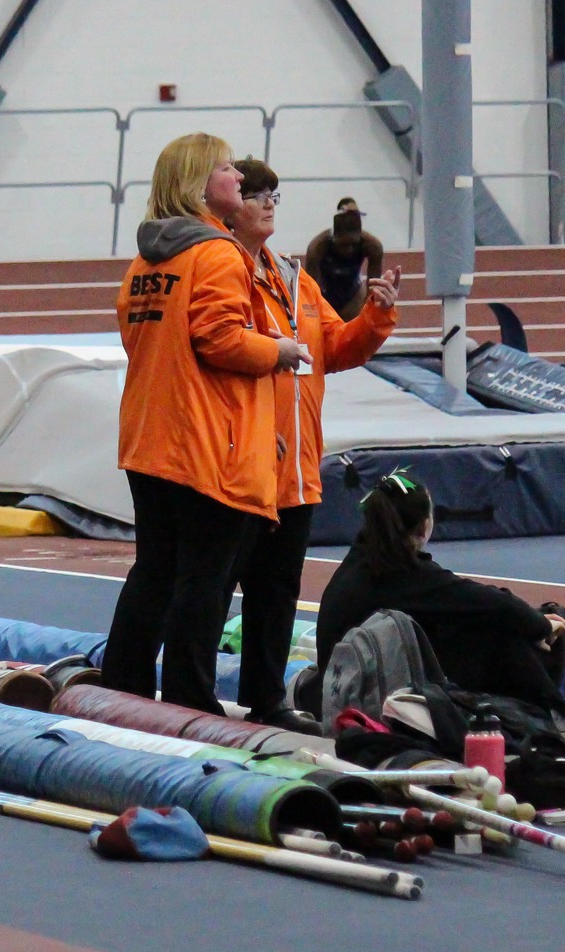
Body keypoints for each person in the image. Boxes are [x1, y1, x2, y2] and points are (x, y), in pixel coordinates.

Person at [101, 133, 298, 716]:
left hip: (148, 436)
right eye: (225, 168)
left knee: (155, 571)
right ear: (197, 184)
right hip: (205, 440)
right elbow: (218, 339)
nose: (238, 176)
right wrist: (277, 350)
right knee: (204, 578)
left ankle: (125, 682)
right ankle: (190, 694)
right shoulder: (215, 252)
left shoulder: (146, 260)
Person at [223, 158, 398, 728]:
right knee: (213, 589)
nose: (270, 202)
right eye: (256, 194)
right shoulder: (225, 273)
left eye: (276, 192)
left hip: (296, 466)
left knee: (275, 592)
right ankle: (190, 695)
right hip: (241, 464)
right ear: (230, 202)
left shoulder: (296, 281)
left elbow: (335, 349)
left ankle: (265, 699)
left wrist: (375, 314)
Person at [313, 471, 565, 753]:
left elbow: (466, 598)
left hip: (341, 697)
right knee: (493, 631)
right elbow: (486, 602)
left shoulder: (364, 563)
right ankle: (562, 721)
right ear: (424, 525)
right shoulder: (399, 573)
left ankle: (544, 715)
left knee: (471, 620)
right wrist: (540, 625)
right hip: (371, 706)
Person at [304, 197, 384, 320]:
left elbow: (372, 288)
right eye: (343, 244)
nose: (349, 249)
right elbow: (310, 288)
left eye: (353, 244)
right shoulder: (318, 246)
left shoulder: (371, 246)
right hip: (325, 295)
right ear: (334, 237)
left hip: (353, 295)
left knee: (361, 322)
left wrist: (367, 313)